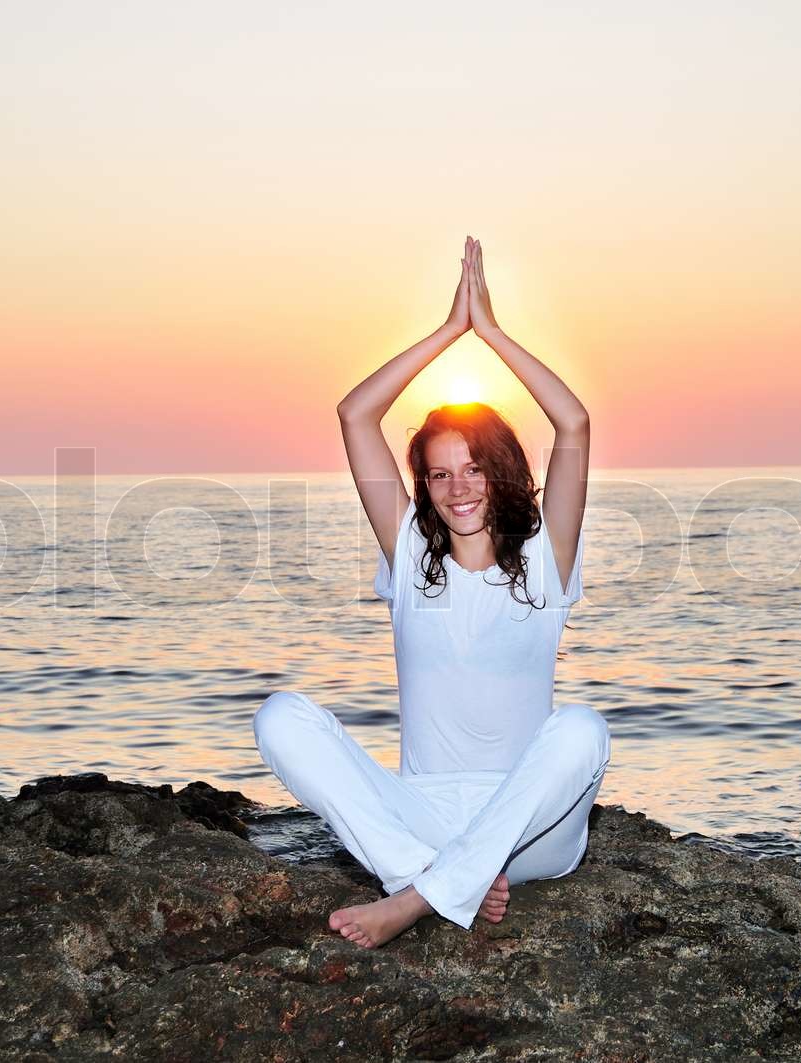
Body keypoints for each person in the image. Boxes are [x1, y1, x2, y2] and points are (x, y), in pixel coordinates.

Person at [254, 235, 609, 948]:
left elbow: (573, 421)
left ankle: (417, 896)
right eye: (441, 474)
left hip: (531, 833)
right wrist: (449, 331)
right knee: (280, 717)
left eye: (474, 468)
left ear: (500, 471)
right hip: (422, 815)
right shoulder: (411, 553)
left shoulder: (546, 559)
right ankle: (438, 875)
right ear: (425, 487)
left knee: (583, 731)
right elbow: (356, 414)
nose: (459, 488)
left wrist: (491, 332)